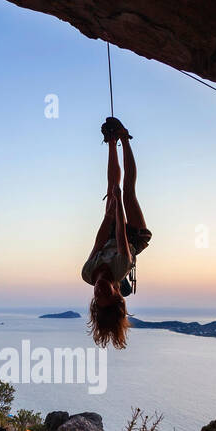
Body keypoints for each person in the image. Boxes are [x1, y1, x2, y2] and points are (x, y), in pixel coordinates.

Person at [82, 117, 151, 349]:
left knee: (111, 188)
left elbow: (99, 242)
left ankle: (111, 140)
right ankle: (124, 138)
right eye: (106, 294)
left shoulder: (87, 273)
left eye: (97, 296)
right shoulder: (121, 268)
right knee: (128, 191)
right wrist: (118, 203)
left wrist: (108, 215)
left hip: (111, 233)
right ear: (116, 293)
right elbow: (122, 235)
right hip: (132, 238)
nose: (99, 290)